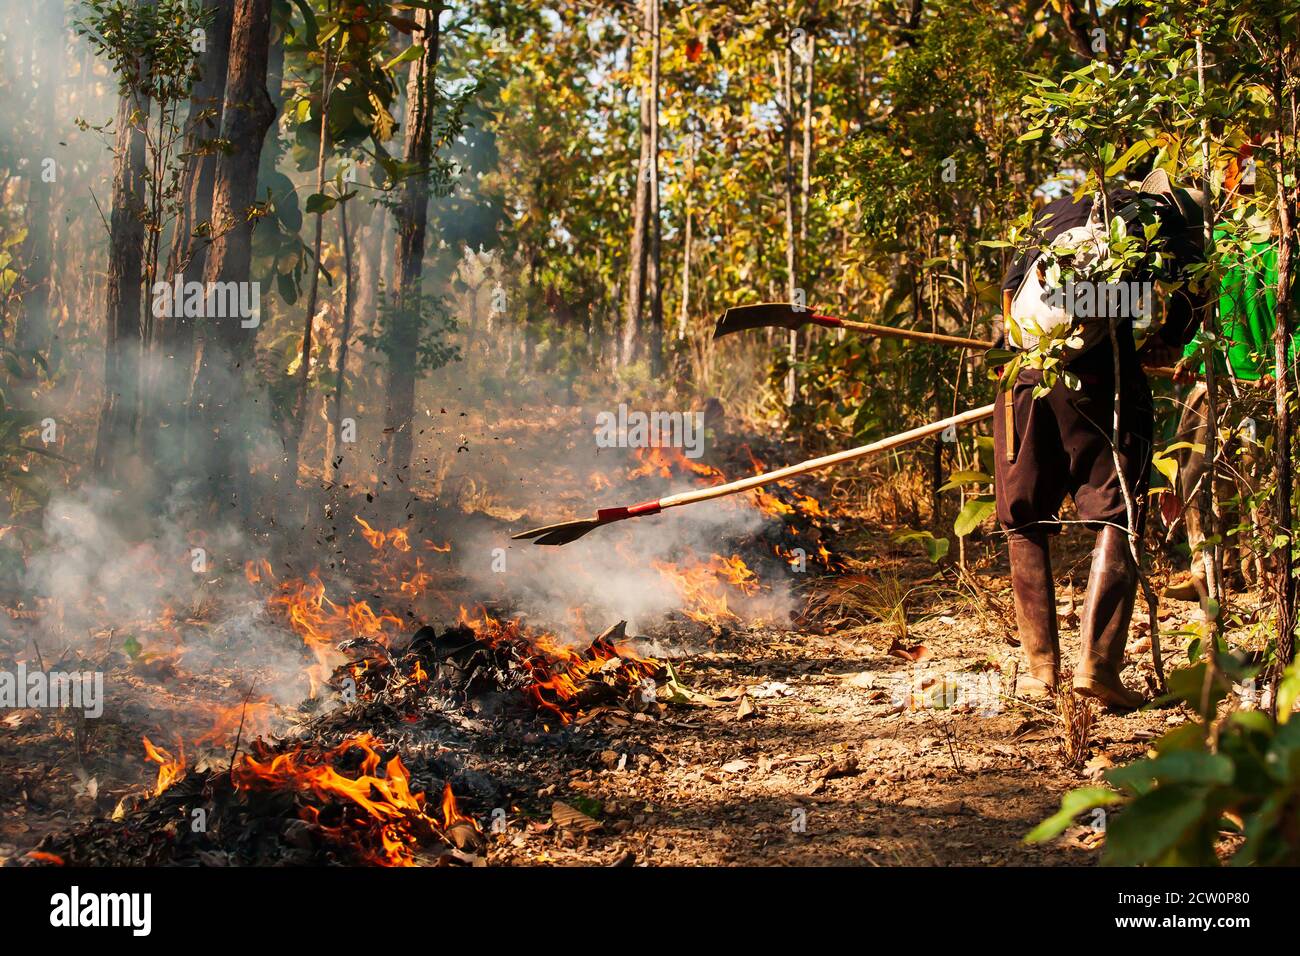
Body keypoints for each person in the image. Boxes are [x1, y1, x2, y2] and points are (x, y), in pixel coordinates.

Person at [995, 171, 1206, 710]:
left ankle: (1041, 670)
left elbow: (1008, 303)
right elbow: (1190, 295)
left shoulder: (1050, 213)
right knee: (1119, 511)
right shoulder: (1163, 217)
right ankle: (1099, 667)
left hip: (1029, 373)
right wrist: (1165, 342)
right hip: (1103, 377)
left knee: (1024, 514)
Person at [1168, 156, 1298, 608]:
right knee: (1195, 473)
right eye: (1235, 179)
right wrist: (1191, 354)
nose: (1241, 188)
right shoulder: (1217, 242)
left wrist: (1286, 365)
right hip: (1215, 377)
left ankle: (1261, 572)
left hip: (1265, 382)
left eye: (1250, 180)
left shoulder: (1285, 246)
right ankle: (1208, 569)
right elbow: (1211, 310)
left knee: (1256, 479)